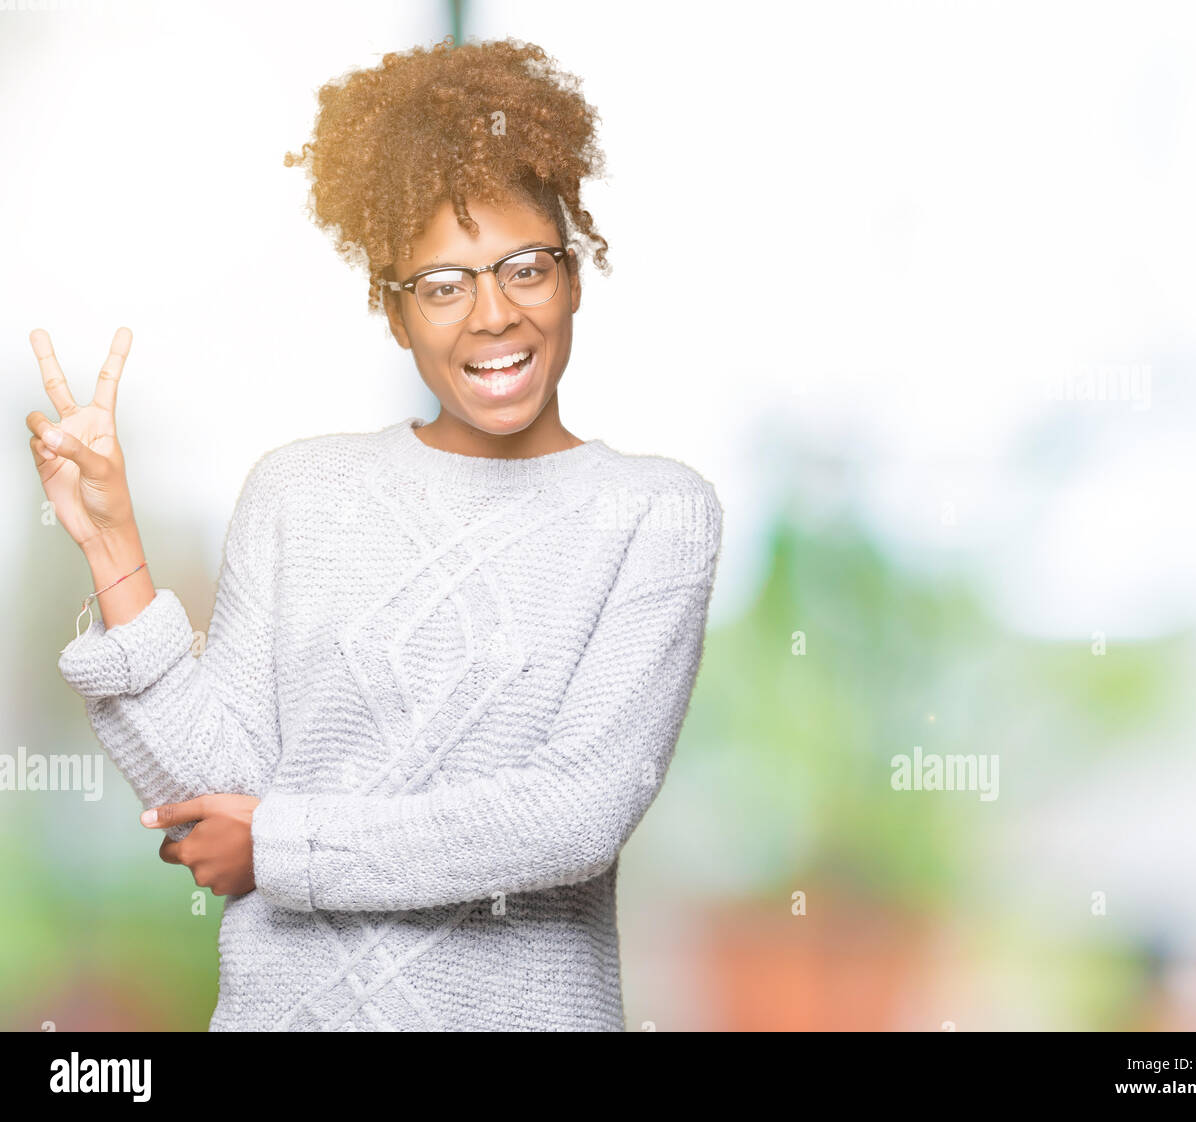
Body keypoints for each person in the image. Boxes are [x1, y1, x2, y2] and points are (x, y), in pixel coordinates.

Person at [27, 35, 722, 1032]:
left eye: (524, 268)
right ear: (393, 313)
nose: (492, 315)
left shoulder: (657, 513)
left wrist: (281, 850)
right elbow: (219, 792)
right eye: (441, 285)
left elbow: (575, 812)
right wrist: (113, 547)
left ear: (574, 275)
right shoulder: (296, 492)